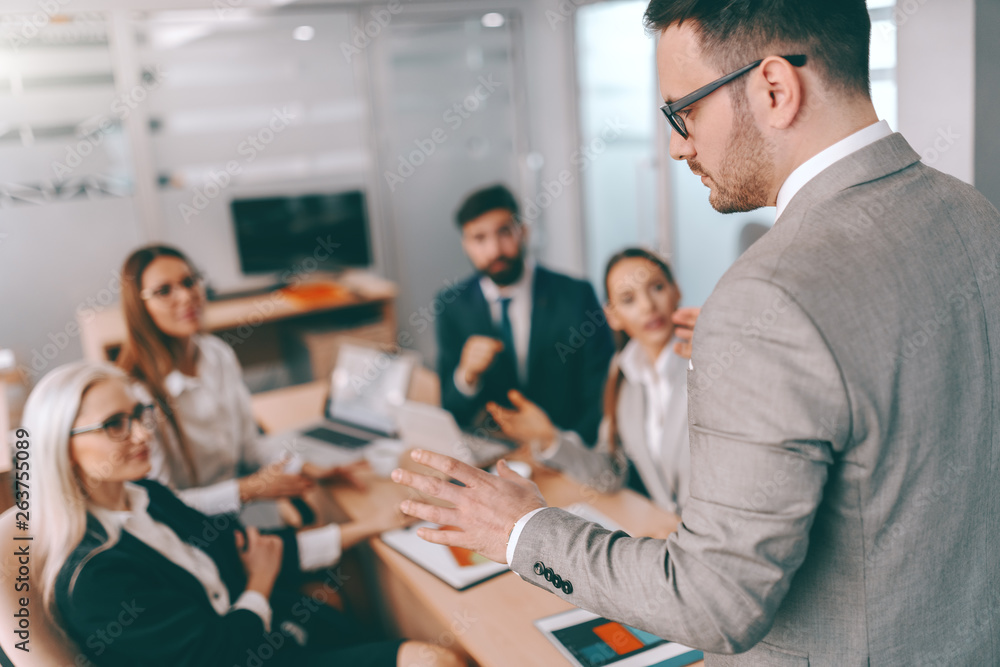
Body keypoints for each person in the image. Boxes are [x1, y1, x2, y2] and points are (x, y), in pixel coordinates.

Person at [392, 1, 1000, 664]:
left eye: (683, 112)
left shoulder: (767, 294)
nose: (677, 146)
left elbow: (712, 603)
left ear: (775, 88)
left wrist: (520, 528)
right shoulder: (975, 215)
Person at [24, 361, 462, 667]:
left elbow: (251, 549)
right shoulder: (94, 576)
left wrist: (373, 525)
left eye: (139, 415)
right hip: (242, 653)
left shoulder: (145, 495)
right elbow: (219, 656)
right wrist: (259, 583)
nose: (141, 434)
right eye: (114, 425)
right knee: (434, 660)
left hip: (256, 633)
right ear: (62, 447)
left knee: (353, 597)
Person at [117, 244, 360, 517]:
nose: (186, 296)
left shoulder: (217, 354)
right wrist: (246, 490)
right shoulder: (137, 395)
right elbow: (164, 508)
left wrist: (305, 467)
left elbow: (250, 447)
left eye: (189, 282)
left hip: (237, 515)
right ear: (139, 307)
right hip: (194, 531)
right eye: (164, 291)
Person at [487, 248, 698, 515]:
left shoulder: (708, 360)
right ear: (613, 316)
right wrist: (549, 438)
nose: (647, 306)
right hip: (669, 530)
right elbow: (609, 475)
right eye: (628, 299)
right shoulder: (622, 373)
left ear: (676, 291)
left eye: (656, 287)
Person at [435, 184, 614, 444]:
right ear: (466, 245)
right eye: (480, 238)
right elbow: (450, 410)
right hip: (497, 449)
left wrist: (564, 448)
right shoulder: (451, 305)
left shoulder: (576, 296)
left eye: (504, 232)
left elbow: (602, 391)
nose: (495, 250)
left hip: (566, 446)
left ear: (523, 232)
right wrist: (466, 375)